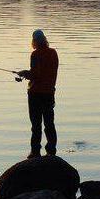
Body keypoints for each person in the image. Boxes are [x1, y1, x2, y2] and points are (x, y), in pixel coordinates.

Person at [18, 29, 59, 158]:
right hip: (49, 93)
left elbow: (35, 74)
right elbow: (45, 73)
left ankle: (35, 152)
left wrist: (25, 73)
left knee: (36, 125)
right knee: (49, 123)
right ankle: (51, 151)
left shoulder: (35, 55)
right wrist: (28, 74)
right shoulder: (53, 53)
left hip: (35, 94)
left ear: (34, 41)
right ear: (45, 40)